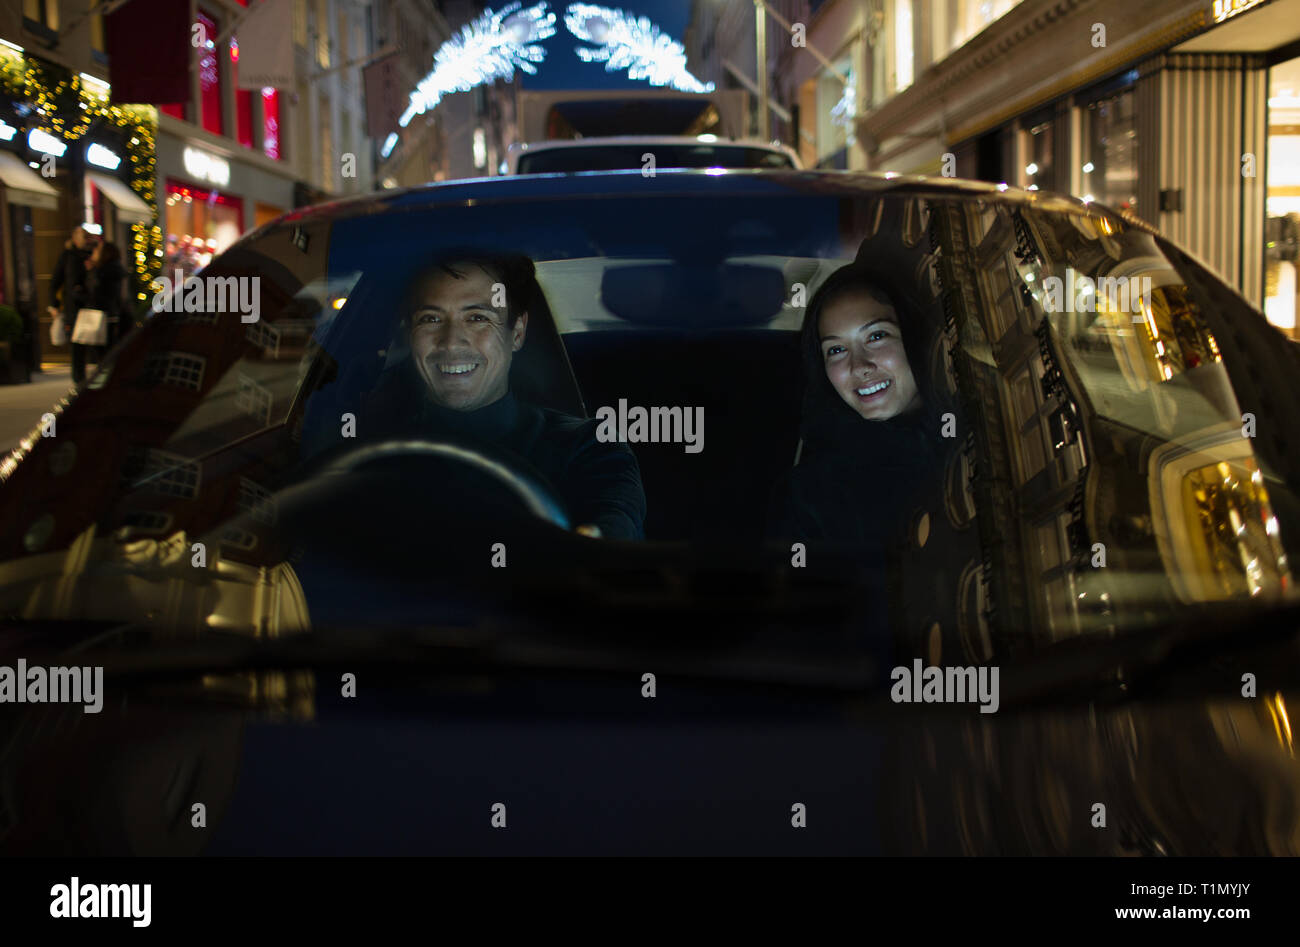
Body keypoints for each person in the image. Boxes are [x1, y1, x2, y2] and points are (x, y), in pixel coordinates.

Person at [357, 252, 647, 541]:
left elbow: (613, 524)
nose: (451, 341)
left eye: (477, 317)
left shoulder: (588, 448)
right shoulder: (370, 451)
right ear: (411, 335)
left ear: (517, 333)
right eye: (431, 318)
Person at [768, 262, 946, 549]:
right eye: (836, 350)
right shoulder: (812, 499)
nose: (859, 366)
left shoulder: (975, 418)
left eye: (876, 336)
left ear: (914, 335)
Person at [50, 227, 94, 384]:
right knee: (76, 343)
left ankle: (85, 376)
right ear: (75, 238)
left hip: (89, 305)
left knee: (89, 341)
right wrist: (54, 305)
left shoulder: (91, 255)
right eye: (84, 237)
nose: (87, 240)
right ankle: (79, 378)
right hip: (73, 307)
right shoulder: (68, 256)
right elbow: (56, 281)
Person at [86, 241, 127, 355]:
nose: (93, 252)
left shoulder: (102, 272)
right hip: (111, 313)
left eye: (97, 250)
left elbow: (95, 293)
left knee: (102, 351)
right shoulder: (113, 269)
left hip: (102, 315)